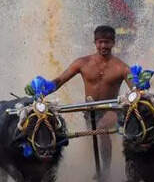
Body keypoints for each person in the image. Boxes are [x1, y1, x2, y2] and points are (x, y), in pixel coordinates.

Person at [41, 25, 132, 174]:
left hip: (112, 110)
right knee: (90, 140)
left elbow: (135, 89)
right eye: (100, 42)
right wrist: (42, 90)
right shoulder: (82, 63)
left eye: (107, 42)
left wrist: (141, 87)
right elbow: (60, 80)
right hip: (90, 112)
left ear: (113, 43)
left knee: (101, 128)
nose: (104, 46)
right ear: (95, 42)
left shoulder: (122, 68)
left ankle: (106, 172)